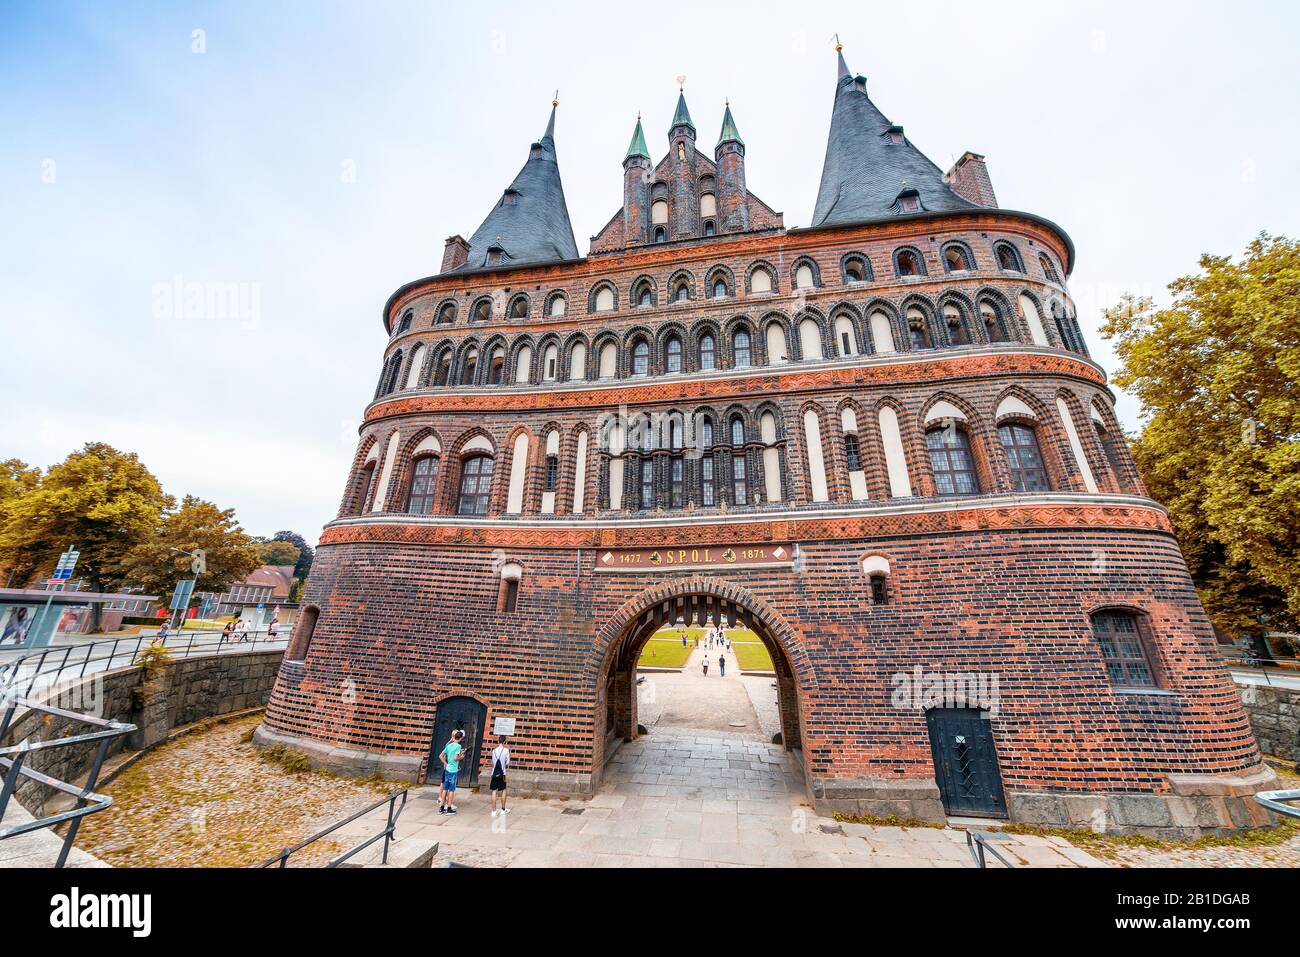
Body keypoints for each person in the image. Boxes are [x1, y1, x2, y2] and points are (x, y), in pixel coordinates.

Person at [438, 729, 465, 814]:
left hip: (447, 769)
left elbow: (440, 755)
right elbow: (455, 758)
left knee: (445, 789)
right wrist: (462, 756)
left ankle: (441, 808)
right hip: (453, 770)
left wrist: (445, 763)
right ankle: (449, 808)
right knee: (451, 790)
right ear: (460, 738)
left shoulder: (449, 746)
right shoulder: (458, 746)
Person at [489, 735, 510, 817]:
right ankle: (503, 810)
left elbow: (493, 763)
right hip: (503, 773)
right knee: (503, 790)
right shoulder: (506, 750)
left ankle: (494, 811)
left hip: (494, 773)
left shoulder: (494, 751)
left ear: (498, 741)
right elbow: (507, 763)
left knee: (494, 791)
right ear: (504, 741)